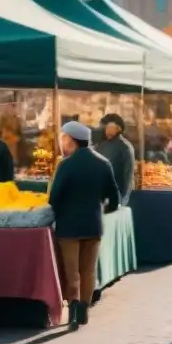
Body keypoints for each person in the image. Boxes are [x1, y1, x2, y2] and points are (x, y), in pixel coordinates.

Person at [48, 121, 120, 331]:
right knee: (88, 271)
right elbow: (114, 197)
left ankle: (73, 312)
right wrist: (102, 210)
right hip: (93, 224)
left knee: (72, 272)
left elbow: (54, 198)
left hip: (69, 226)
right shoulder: (103, 163)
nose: (62, 142)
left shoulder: (66, 165)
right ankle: (84, 310)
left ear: (71, 140)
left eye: (64, 138)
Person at [94, 113, 135, 205]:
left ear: (118, 128)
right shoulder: (101, 144)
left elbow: (126, 177)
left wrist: (120, 200)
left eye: (108, 126)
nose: (105, 129)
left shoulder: (124, 147)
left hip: (115, 197)